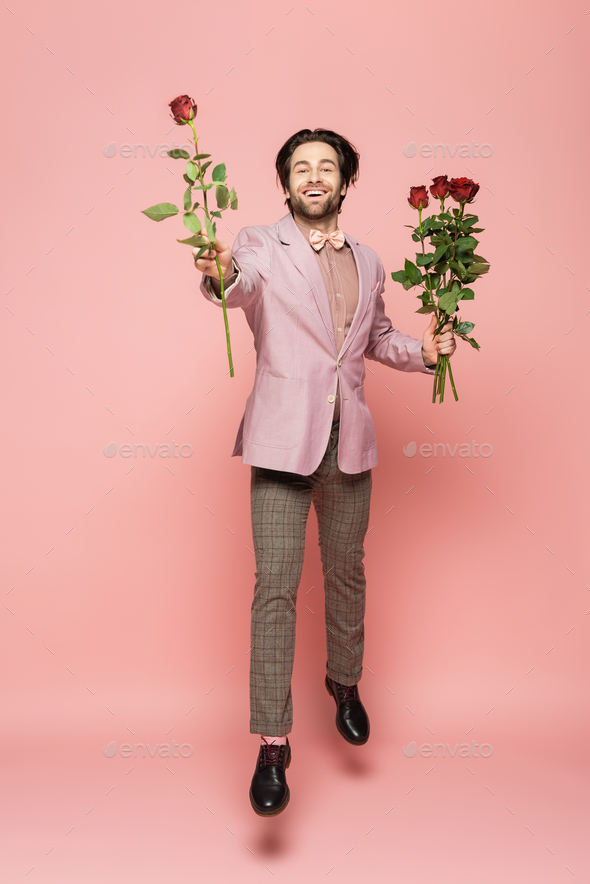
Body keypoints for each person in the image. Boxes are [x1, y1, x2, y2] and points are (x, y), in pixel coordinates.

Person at [194, 128, 456, 817]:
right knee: (275, 589)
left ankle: (344, 683)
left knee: (346, 571)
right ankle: (273, 743)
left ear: (345, 182)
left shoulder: (368, 261)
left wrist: (425, 352)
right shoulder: (257, 244)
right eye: (301, 168)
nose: (314, 177)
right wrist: (219, 271)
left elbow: (374, 341)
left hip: (351, 442)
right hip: (282, 444)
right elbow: (236, 287)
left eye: (327, 167)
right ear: (285, 184)